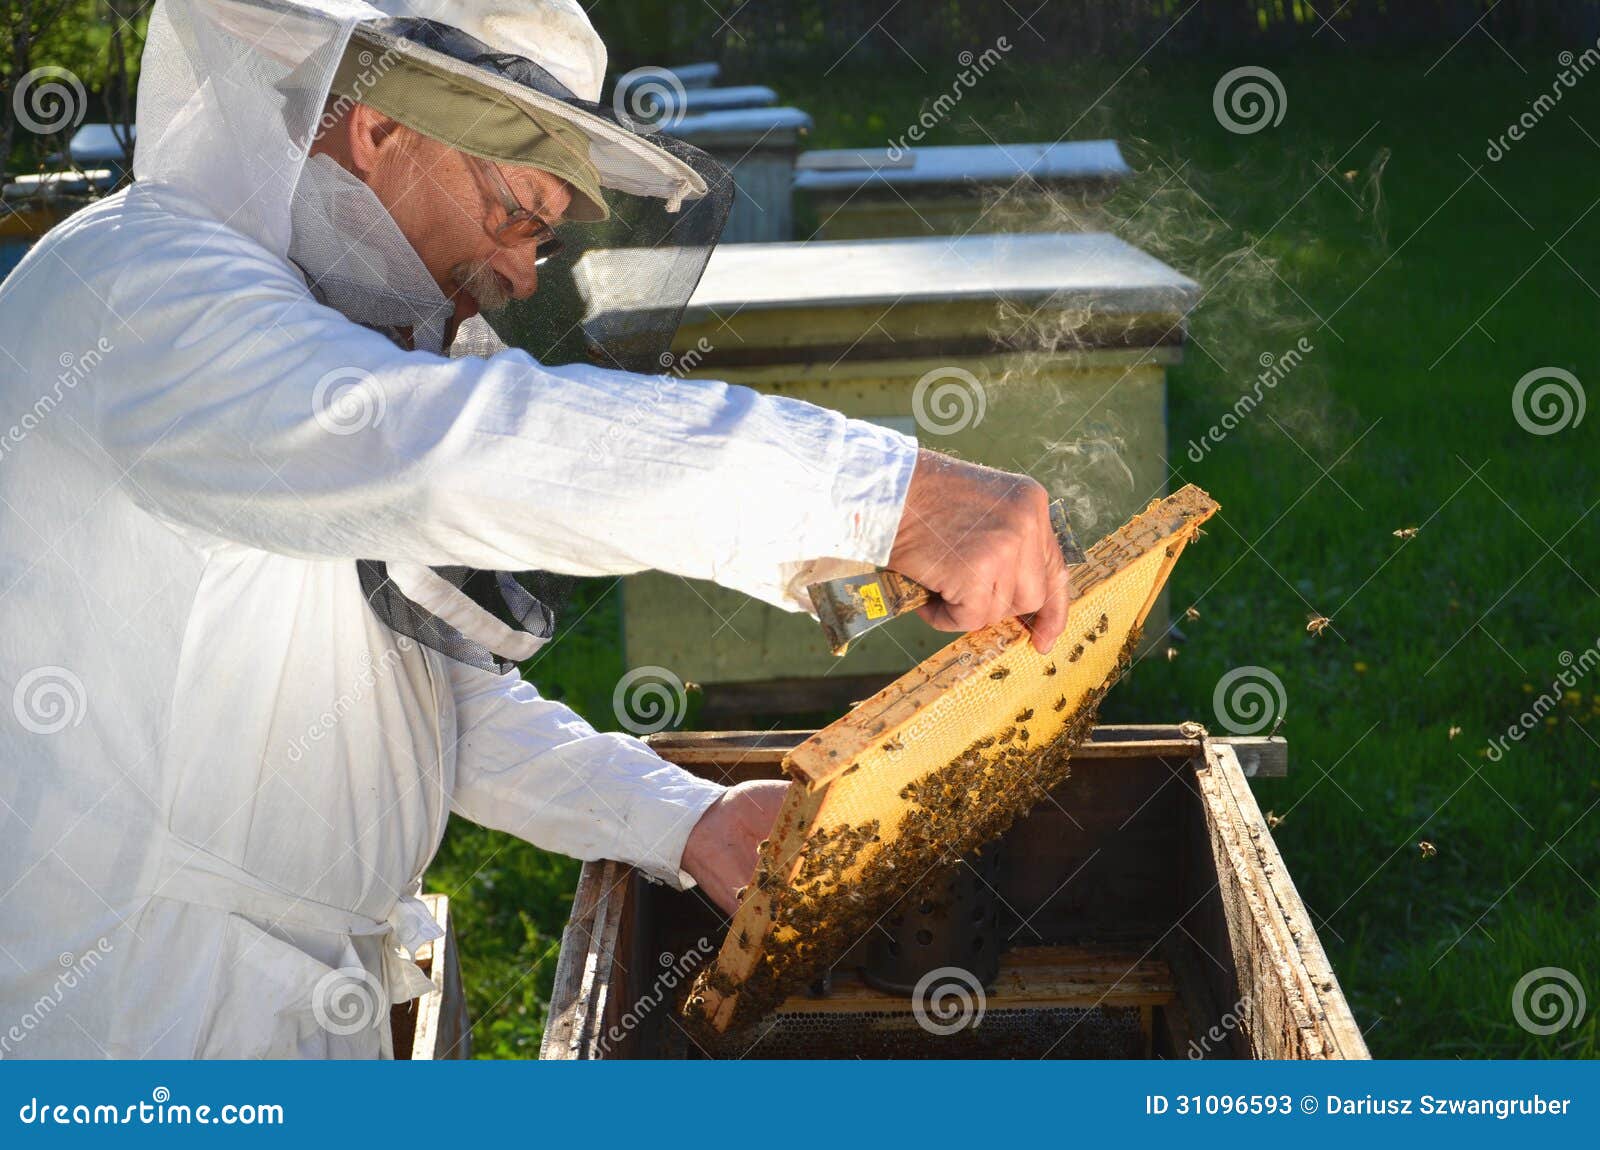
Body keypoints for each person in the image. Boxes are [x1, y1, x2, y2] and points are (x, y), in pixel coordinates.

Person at [0, 0, 1070, 1058]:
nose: (519, 274)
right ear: (379, 131)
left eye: (543, 243)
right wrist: (884, 491)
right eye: (519, 215)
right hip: (137, 1019)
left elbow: (425, 706)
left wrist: (678, 820)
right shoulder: (140, 294)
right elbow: (451, 454)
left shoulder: (309, 341)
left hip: (279, 998)